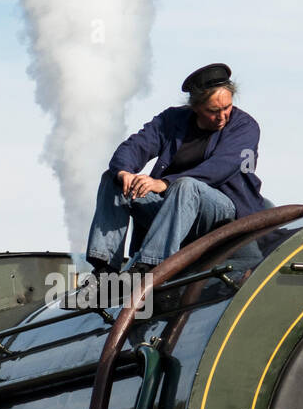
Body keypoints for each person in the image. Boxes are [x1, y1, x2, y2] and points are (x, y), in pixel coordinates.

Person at [85, 63, 267, 273]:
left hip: (222, 213)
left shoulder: (245, 127)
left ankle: (149, 267)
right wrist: (124, 171)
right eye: (213, 111)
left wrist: (163, 183)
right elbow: (135, 146)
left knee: (186, 185)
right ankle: (105, 269)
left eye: (227, 108)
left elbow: (221, 168)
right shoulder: (171, 120)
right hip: (173, 208)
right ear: (196, 107)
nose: (222, 116)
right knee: (113, 178)